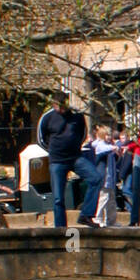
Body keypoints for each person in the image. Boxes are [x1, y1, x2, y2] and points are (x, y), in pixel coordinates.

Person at [38, 93, 99, 229]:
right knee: (58, 197)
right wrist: (52, 151)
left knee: (96, 178)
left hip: (75, 157)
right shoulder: (47, 117)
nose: (61, 110)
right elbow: (41, 138)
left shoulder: (77, 116)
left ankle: (86, 214)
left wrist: (75, 145)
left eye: (63, 106)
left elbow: (83, 134)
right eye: (58, 107)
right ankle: (61, 229)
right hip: (57, 160)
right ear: (53, 105)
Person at [89, 124, 117, 227]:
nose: (109, 137)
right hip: (104, 177)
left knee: (111, 200)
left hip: (111, 177)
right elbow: (105, 148)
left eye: (110, 135)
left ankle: (111, 220)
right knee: (103, 198)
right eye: (107, 135)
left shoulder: (108, 144)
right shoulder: (100, 145)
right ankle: (98, 218)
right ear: (101, 135)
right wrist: (114, 147)